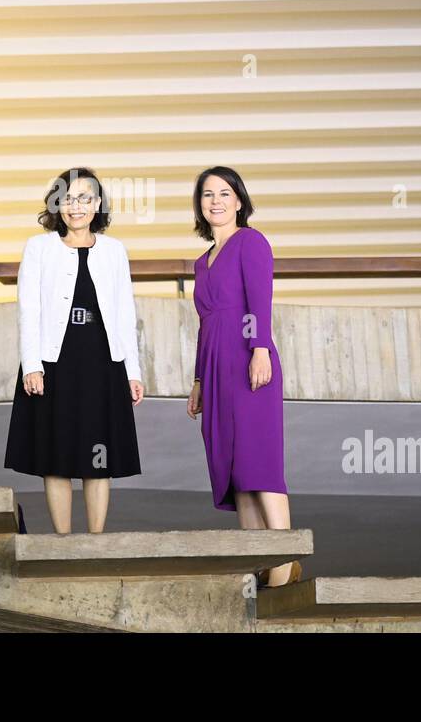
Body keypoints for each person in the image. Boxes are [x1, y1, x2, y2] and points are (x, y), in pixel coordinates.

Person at [4, 167, 144, 534]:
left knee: (100, 457)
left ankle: (96, 541)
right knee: (57, 454)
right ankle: (63, 542)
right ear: (57, 203)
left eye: (84, 198)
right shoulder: (38, 248)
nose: (76, 206)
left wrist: (133, 372)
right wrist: (31, 365)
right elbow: (28, 310)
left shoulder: (115, 251)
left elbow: (126, 313)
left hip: (103, 363)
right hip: (54, 362)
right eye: (68, 197)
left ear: (97, 204)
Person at [186, 166, 298, 587]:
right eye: (207, 194)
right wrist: (198, 380)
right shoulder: (202, 262)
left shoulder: (250, 242)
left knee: (260, 464)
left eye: (224, 193)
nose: (215, 200)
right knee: (238, 476)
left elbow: (259, 300)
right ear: (200, 205)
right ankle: (261, 564)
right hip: (215, 370)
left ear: (239, 200)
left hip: (248, 359)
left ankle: (284, 566)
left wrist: (260, 348)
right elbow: (203, 325)